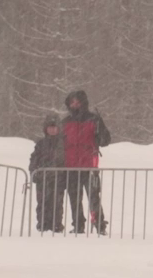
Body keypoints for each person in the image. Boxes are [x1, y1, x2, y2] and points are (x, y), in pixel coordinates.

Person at [61, 90, 111, 234]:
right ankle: (78, 224)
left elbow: (105, 141)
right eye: (72, 102)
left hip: (89, 166)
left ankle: (99, 224)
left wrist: (101, 129)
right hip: (70, 167)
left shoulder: (94, 119)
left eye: (77, 102)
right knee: (74, 198)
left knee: (94, 197)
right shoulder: (65, 122)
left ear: (83, 103)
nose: (75, 105)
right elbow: (59, 144)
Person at [29, 112, 66, 232]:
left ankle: (56, 224)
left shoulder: (63, 144)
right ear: (46, 129)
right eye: (50, 127)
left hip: (58, 179)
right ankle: (43, 223)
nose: (52, 130)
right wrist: (34, 171)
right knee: (42, 202)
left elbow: (65, 160)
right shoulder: (41, 144)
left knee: (57, 203)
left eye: (55, 127)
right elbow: (34, 158)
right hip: (42, 179)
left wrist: (64, 175)